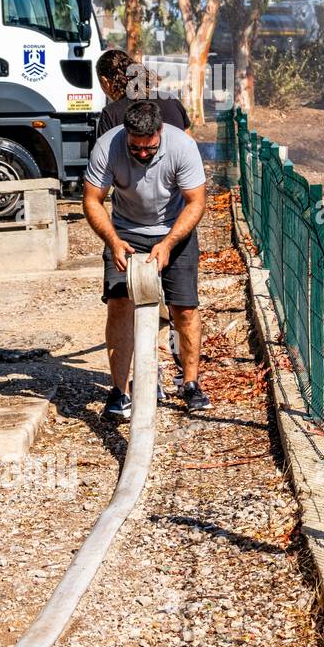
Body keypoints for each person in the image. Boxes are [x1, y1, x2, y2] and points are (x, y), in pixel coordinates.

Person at [82, 100, 211, 418]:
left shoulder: (181, 146)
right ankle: (119, 391)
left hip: (174, 230)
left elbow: (196, 202)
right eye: (135, 147)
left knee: (184, 307)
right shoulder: (107, 147)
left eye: (149, 148)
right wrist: (112, 241)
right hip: (125, 233)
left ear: (160, 132)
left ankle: (191, 383)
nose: (141, 153)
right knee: (120, 305)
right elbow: (92, 199)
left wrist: (168, 243)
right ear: (126, 134)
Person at [94, 48, 192, 138]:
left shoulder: (111, 114)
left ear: (105, 82)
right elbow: (189, 144)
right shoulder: (171, 101)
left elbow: (102, 155)